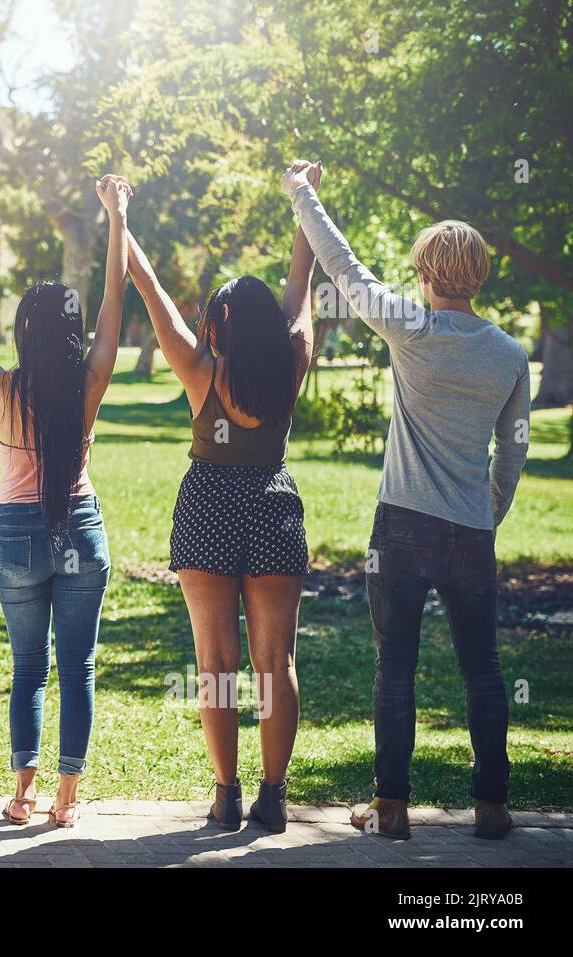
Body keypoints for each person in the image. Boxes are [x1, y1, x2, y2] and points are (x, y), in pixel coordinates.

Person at [285, 161, 529, 841]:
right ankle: (493, 805)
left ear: (426, 270)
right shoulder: (509, 354)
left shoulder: (408, 327)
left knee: (396, 665)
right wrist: (487, 513)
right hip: (469, 533)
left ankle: (390, 808)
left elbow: (343, 265)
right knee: (483, 667)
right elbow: (513, 450)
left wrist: (302, 192)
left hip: (401, 529)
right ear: (478, 274)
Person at [125, 162, 321, 833]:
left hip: (207, 501)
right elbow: (301, 284)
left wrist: (119, 217)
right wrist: (304, 198)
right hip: (273, 500)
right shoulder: (294, 354)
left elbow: (148, 288)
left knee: (215, 662)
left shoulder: (199, 368)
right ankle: (273, 794)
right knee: (276, 662)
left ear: (217, 326)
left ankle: (226, 793)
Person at [0, 174, 131, 828]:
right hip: (80, 527)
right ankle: (66, 799)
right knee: (76, 667)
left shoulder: (3, 388)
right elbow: (115, 295)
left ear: (25, 333)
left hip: (18, 534)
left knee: (29, 667)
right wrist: (117, 217)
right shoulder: (91, 380)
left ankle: (22, 796)